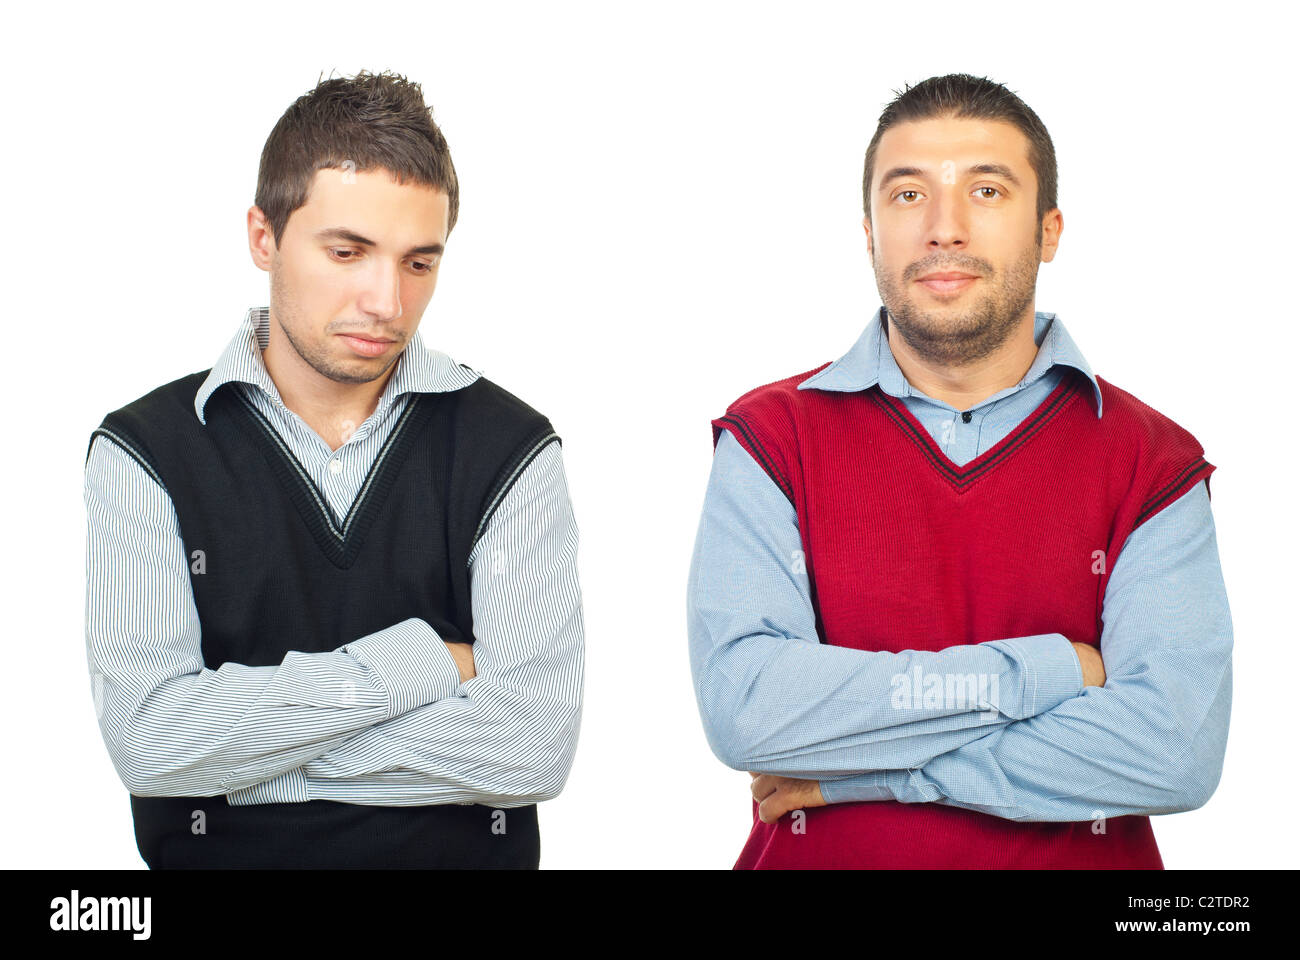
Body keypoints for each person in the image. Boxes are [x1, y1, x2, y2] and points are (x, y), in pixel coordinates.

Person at [686, 73, 1232, 869]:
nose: (944, 228)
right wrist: (1055, 668)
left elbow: (1171, 749)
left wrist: (874, 773)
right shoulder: (772, 438)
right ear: (869, 231)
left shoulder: (1153, 462)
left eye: (986, 189)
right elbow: (751, 713)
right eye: (907, 195)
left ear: (1049, 230)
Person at [84, 69, 584, 869]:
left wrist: (242, 767)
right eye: (348, 252)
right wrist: (423, 662)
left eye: (419, 263)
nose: (387, 299)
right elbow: (149, 743)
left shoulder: (511, 449)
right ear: (263, 237)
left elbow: (531, 745)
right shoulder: (144, 451)